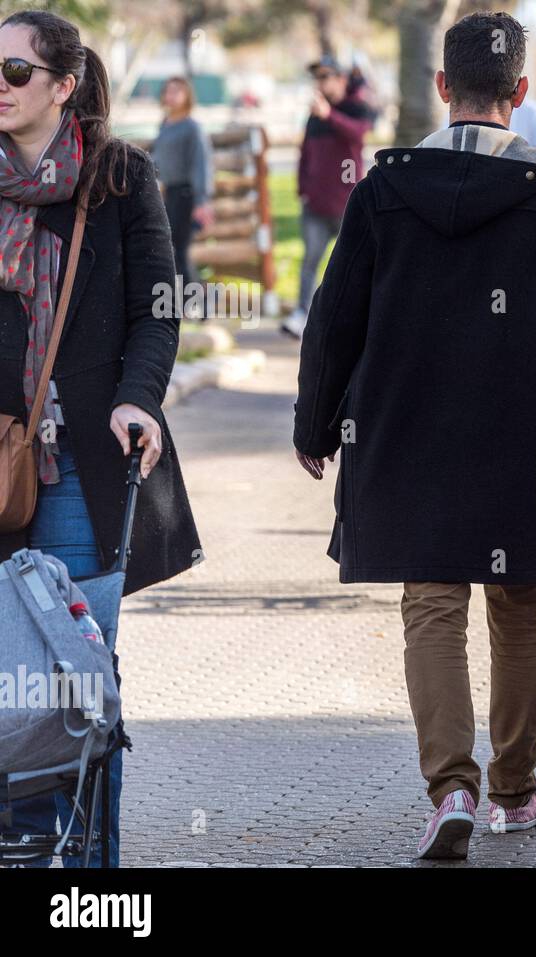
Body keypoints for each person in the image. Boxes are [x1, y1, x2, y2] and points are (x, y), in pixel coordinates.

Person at [291, 12, 536, 861]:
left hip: (405, 428)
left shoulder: (384, 187)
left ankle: (450, 788)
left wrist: (314, 418)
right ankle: (512, 788)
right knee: (519, 608)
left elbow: (334, 313)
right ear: (521, 94)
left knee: (431, 604)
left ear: (441, 88)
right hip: (522, 433)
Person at [0, 9, 202, 867]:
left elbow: (158, 310)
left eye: (14, 72)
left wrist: (137, 402)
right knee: (10, 680)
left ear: (64, 85)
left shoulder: (120, 177)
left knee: (81, 676)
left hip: (86, 465)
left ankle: (88, 871)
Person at [280, 54, 373, 339]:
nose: (320, 83)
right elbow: (305, 152)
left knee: (349, 263)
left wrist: (329, 115)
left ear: (341, 79)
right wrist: (302, 188)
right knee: (310, 260)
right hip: (315, 204)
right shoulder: (314, 115)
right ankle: (301, 314)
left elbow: (358, 135)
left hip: (347, 203)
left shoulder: (356, 107)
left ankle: (348, 319)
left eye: (325, 77)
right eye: (316, 78)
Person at [149, 76, 213, 314]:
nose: (172, 95)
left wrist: (201, 200)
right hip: (167, 194)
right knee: (171, 249)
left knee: (181, 250)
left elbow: (201, 165)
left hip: (186, 195)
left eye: (177, 91)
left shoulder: (192, 127)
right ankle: (185, 302)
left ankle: (198, 305)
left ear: (187, 95)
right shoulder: (165, 124)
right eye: (168, 90)